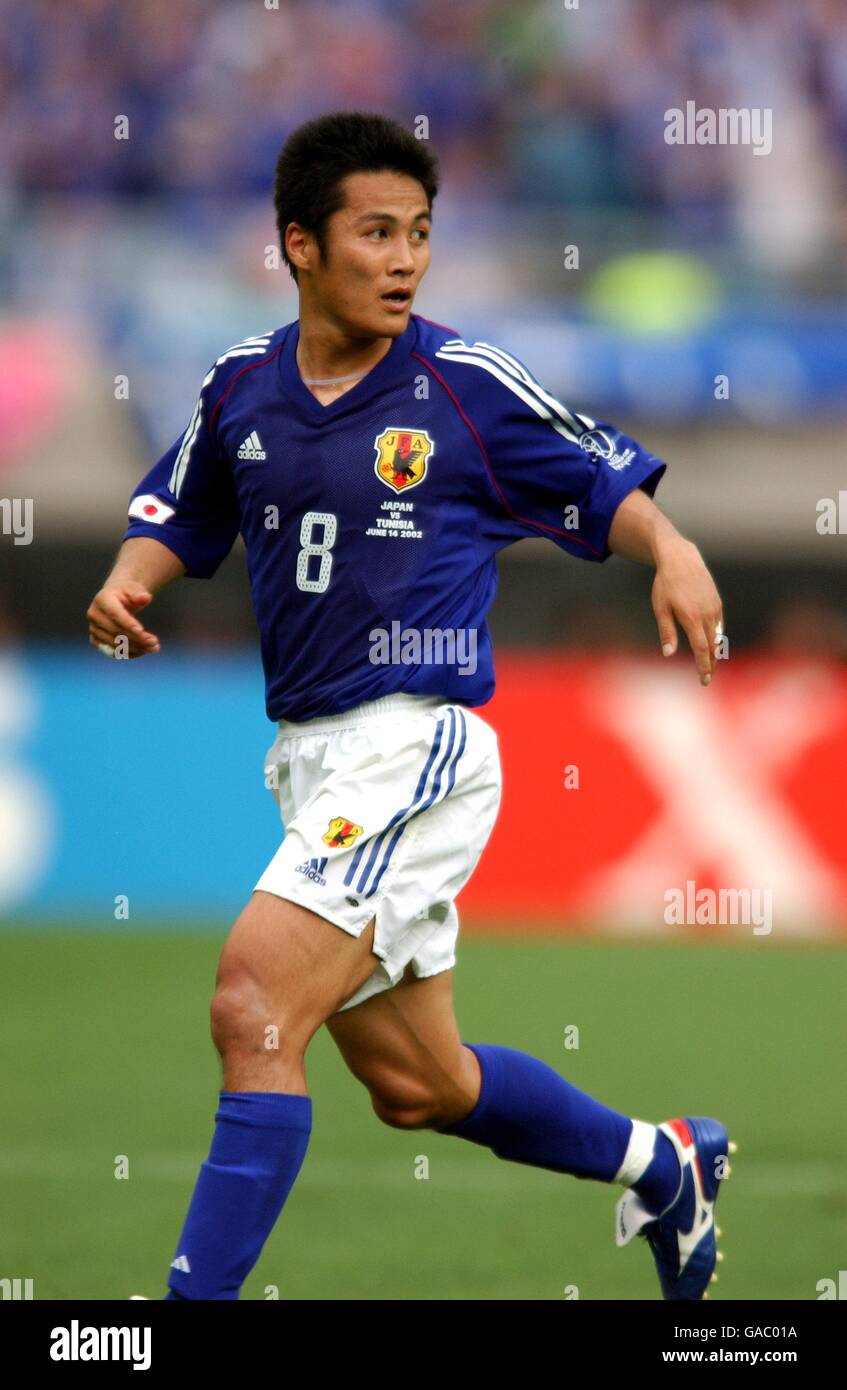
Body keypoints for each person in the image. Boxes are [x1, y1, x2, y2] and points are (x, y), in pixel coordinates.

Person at [87, 111, 732, 1302]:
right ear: (298, 245)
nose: (403, 258)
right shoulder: (241, 387)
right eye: (374, 232)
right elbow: (179, 511)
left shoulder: (461, 384)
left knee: (252, 1006)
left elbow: (595, 473)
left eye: (419, 233)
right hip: (310, 757)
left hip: (416, 741)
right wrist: (132, 576)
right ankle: (662, 1160)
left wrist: (673, 547)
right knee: (419, 1086)